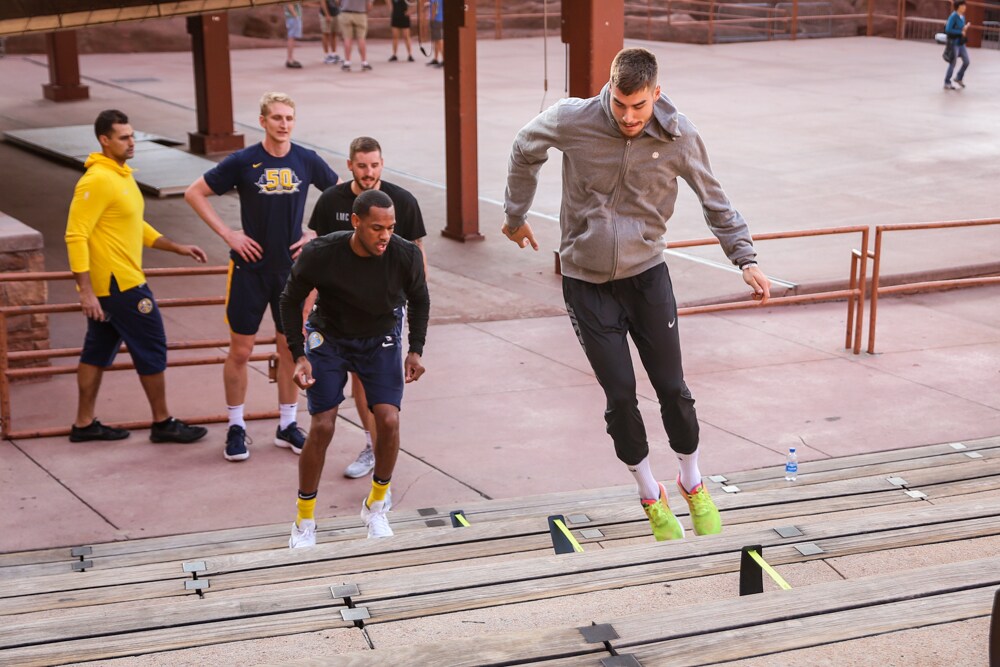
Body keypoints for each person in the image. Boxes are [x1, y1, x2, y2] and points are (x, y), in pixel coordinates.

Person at [502, 47, 771, 542]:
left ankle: (692, 480)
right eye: (620, 104)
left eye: (639, 106)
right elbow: (524, 147)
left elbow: (715, 200)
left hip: (647, 277)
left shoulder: (679, 135)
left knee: (672, 388)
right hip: (586, 282)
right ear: (609, 88)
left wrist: (745, 258)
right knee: (621, 396)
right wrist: (516, 214)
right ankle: (650, 493)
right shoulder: (572, 119)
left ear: (656, 94)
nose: (628, 116)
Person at [184, 92, 339, 463]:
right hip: (249, 269)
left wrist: (314, 234)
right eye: (276, 118)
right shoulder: (243, 161)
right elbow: (195, 193)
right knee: (240, 350)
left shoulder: (307, 160)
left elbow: (339, 198)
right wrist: (228, 234)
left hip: (292, 273)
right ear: (262, 120)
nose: (283, 124)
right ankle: (236, 426)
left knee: (289, 348)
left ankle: (287, 424)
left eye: (289, 118)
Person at [281, 189, 430, 547]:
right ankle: (303, 521)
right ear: (356, 221)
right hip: (329, 337)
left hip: (380, 336)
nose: (384, 236)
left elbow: (421, 299)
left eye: (391, 228)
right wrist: (298, 354)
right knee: (322, 424)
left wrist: (415, 350)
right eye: (377, 227)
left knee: (389, 419)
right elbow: (290, 299)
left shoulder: (404, 253)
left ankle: (376, 506)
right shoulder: (321, 253)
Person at [65, 109, 209, 446]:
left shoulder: (120, 175)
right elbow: (75, 234)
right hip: (120, 285)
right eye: (124, 137)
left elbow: (135, 226)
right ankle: (163, 422)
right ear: (104, 140)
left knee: (97, 351)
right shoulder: (97, 179)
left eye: (132, 136)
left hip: (118, 282)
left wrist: (178, 247)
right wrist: (84, 291)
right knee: (152, 347)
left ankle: (83, 424)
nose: (132, 142)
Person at [308, 136, 428, 479]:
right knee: (341, 392)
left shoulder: (402, 201)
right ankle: (370, 444)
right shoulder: (331, 201)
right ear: (350, 165)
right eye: (362, 165)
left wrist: (417, 302)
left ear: (382, 164)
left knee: (368, 384)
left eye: (374, 165)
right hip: (335, 312)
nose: (368, 172)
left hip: (384, 310)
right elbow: (316, 256)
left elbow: (417, 254)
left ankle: (375, 452)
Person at [944, 0, 971, 90]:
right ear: (958, 6)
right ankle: (947, 82)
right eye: (962, 6)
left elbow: (961, 30)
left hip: (961, 43)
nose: (964, 7)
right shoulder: (953, 16)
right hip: (954, 43)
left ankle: (959, 77)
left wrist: (965, 28)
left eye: (964, 6)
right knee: (953, 62)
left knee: (966, 61)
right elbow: (948, 30)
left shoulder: (962, 17)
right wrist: (960, 32)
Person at [339, 0, 372, 72]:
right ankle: (364, 62)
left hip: (346, 13)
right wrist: (365, 13)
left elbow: (337, 2)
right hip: (360, 13)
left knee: (347, 38)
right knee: (361, 39)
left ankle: (347, 62)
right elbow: (369, 5)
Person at [319, 0, 342, 65]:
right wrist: (327, 14)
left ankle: (334, 54)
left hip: (336, 13)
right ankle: (326, 55)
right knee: (326, 33)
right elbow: (322, 2)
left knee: (334, 33)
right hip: (325, 14)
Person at [284, 2, 304, 69]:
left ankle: (291, 58)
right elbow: (289, 3)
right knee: (291, 38)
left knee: (292, 38)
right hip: (292, 17)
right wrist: (295, 16)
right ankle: (290, 60)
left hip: (293, 17)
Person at [426, 0, 443, 67]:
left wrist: (432, 19)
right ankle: (436, 59)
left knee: (438, 40)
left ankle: (444, 59)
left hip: (436, 20)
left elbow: (435, 7)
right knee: (436, 40)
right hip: (439, 19)